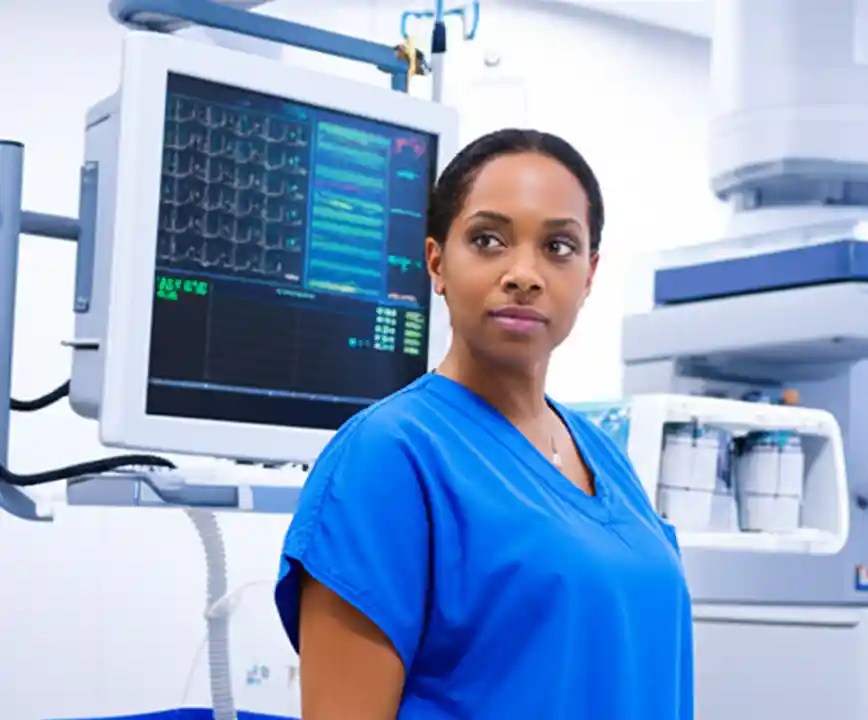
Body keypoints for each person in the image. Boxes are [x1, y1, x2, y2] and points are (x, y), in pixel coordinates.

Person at [273, 128, 694, 719]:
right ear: (437, 261)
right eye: (489, 240)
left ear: (590, 274)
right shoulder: (390, 456)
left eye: (559, 247)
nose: (524, 273)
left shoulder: (607, 458)